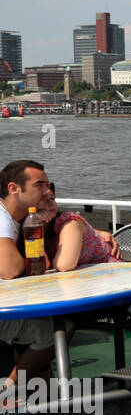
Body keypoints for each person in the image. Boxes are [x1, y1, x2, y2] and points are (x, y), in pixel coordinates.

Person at [0, 161, 59, 395]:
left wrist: (37, 224)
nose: (47, 191)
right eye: (40, 185)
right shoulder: (2, 220)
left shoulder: (17, 220)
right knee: (52, 329)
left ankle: (38, 394)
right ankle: (8, 391)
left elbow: (40, 264)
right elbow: (10, 269)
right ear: (14, 189)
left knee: (46, 321)